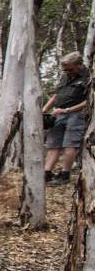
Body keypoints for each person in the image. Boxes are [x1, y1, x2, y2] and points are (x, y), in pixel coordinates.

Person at [43, 51, 90, 186]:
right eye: (65, 70)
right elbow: (56, 96)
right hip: (57, 114)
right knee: (53, 145)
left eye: (70, 69)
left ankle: (64, 175)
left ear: (79, 65)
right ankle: (47, 173)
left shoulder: (88, 77)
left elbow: (88, 101)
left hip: (76, 115)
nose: (67, 72)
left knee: (70, 145)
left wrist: (67, 110)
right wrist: (44, 110)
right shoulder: (65, 77)